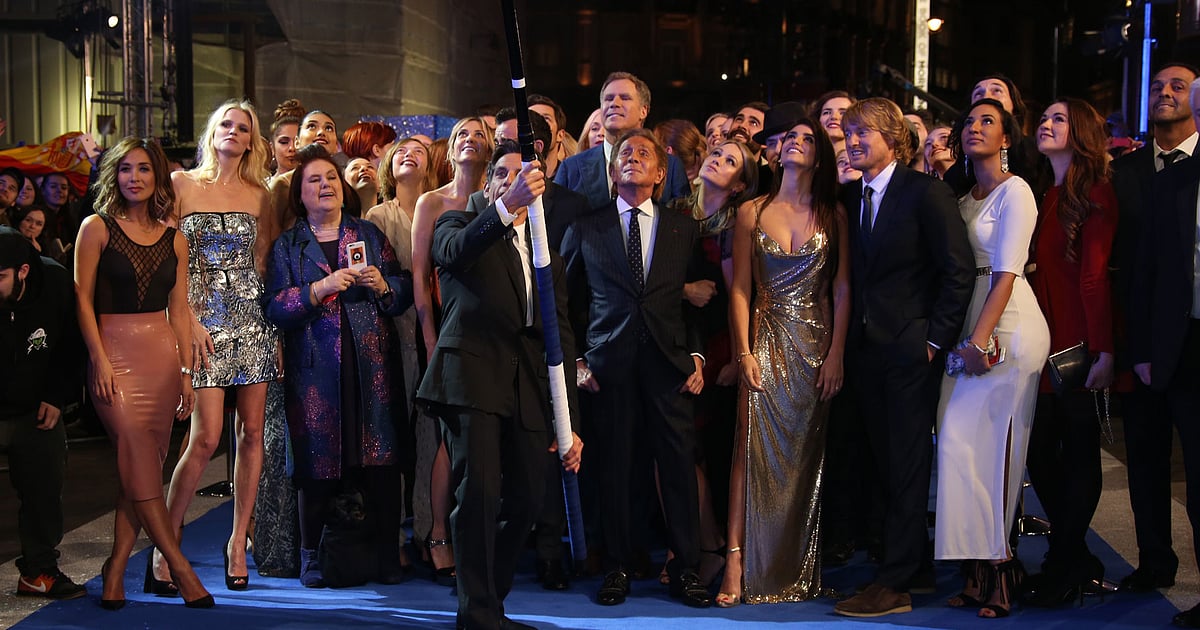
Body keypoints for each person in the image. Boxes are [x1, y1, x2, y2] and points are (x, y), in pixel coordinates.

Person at [416, 141, 583, 630]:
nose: (515, 182)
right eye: (504, 175)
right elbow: (452, 254)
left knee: (530, 497)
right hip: (470, 377)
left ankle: (491, 599)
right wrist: (507, 208)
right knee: (480, 493)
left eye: (524, 176)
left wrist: (566, 420)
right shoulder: (458, 221)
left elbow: (560, 334)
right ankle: (479, 613)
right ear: (488, 184)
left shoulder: (542, 246)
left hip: (527, 385)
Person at [832, 97, 974, 618]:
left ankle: (893, 585)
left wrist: (933, 341)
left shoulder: (926, 193)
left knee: (909, 466)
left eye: (863, 132)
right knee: (886, 466)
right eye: (848, 133)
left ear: (894, 139)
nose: (852, 141)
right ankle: (912, 567)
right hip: (866, 352)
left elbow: (956, 271)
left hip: (911, 352)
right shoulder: (852, 198)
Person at [561, 128, 712, 609]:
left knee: (677, 469)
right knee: (617, 469)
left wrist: (697, 355)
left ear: (660, 172)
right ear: (611, 171)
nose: (633, 159)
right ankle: (618, 567)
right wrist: (579, 361)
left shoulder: (683, 228)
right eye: (624, 154)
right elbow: (567, 304)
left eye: (643, 153)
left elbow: (693, 303)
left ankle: (686, 568)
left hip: (670, 367)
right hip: (609, 367)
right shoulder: (588, 226)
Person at [264, 144, 414, 587]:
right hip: (315, 373)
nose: (325, 185)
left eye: (331, 177)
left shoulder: (367, 233)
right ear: (300, 194)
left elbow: (402, 292)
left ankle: (388, 554)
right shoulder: (288, 246)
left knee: (381, 463)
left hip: (371, 368)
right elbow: (274, 305)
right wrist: (319, 288)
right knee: (317, 466)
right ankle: (312, 556)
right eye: (314, 180)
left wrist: (384, 283)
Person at [74, 136, 212, 609]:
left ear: (157, 178)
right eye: (126, 169)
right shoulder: (96, 228)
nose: (135, 177)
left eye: (144, 169)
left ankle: (114, 572)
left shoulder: (176, 239)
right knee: (138, 458)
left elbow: (179, 312)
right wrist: (98, 359)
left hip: (162, 361)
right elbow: (82, 300)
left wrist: (187, 375)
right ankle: (179, 566)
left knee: (140, 473)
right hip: (113, 355)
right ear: (114, 175)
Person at [718, 118, 850, 606]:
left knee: (803, 460)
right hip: (764, 341)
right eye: (788, 137)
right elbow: (738, 289)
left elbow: (842, 288)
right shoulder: (751, 211)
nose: (795, 142)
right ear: (774, 153)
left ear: (819, 156)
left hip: (816, 348)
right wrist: (744, 351)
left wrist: (836, 352)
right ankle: (735, 560)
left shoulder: (834, 214)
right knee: (746, 449)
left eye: (807, 138)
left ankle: (792, 565)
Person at [153, 100, 278, 593]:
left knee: (252, 435)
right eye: (225, 123)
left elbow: (264, 265)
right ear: (212, 131)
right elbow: (167, 260)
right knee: (204, 441)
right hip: (200, 325)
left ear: (252, 140)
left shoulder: (262, 194)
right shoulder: (183, 184)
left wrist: (274, 332)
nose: (232, 131)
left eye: (242, 126)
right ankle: (167, 542)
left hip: (253, 323)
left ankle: (236, 541)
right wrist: (187, 322)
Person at [933, 98, 1050, 619]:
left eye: (988, 121)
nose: (974, 128)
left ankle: (1000, 567)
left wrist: (979, 341)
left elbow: (1007, 271)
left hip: (1008, 320)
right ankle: (976, 565)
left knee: (999, 448)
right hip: (969, 320)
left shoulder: (1016, 191)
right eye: (969, 122)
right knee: (956, 441)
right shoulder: (963, 198)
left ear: (1006, 138)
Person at [1023, 98, 1119, 607]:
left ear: (1080, 131)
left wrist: (1103, 350)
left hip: (1078, 345)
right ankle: (1074, 558)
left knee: (1078, 454)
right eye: (1044, 117)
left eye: (1059, 119)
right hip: (1044, 344)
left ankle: (1065, 562)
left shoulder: (1096, 191)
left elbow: (1094, 277)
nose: (1046, 123)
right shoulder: (1048, 194)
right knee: (1042, 455)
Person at [1111, 63, 1200, 598]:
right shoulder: (1127, 170)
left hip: (1193, 336)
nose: (1165, 93)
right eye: (1157, 85)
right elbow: (1133, 265)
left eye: (1179, 86)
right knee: (1143, 454)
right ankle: (1153, 562)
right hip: (1144, 332)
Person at [663, 139, 759, 591]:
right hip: (670, 336)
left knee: (708, 452)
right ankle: (690, 543)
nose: (716, 159)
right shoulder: (674, 208)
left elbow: (744, 295)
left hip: (718, 344)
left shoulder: (737, 222)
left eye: (729, 161)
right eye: (716, 153)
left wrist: (735, 357)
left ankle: (713, 546)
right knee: (675, 450)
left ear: (740, 183)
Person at [0, 227, 85, 600]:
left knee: (44, 492)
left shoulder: (53, 281)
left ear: (22, 271)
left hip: (37, 407)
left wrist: (56, 395)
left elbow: (71, 342)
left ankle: (38, 573)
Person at [364, 135, 431, 576]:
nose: (408, 155)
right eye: (401, 151)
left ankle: (429, 533)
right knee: (391, 440)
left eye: (419, 151)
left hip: (431, 333)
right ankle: (391, 540)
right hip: (388, 337)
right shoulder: (375, 217)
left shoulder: (441, 207)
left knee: (429, 440)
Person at [555, 72, 690, 209]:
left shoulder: (671, 167)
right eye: (608, 99)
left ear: (643, 111)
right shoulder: (571, 168)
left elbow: (681, 224)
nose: (615, 103)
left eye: (625, 98)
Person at [268, 99, 305, 176]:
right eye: (284, 142)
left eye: (298, 142)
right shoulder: (260, 187)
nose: (292, 148)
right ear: (272, 148)